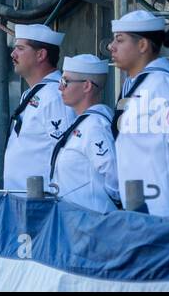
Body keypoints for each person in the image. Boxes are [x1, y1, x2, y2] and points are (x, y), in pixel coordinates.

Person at [108, 9, 169, 216]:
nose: (111, 46)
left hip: (165, 206)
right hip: (140, 205)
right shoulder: (133, 85)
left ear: (142, 45)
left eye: (119, 40)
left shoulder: (161, 84)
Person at [3, 23, 75, 192]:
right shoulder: (33, 93)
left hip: (43, 203)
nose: (13, 54)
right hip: (24, 201)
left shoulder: (56, 95)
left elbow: (64, 154)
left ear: (41, 54)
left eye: (20, 48)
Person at [49, 54, 120, 213]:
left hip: (92, 222)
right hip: (76, 220)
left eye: (65, 81)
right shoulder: (83, 123)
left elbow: (114, 178)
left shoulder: (95, 125)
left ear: (87, 86)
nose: (60, 87)